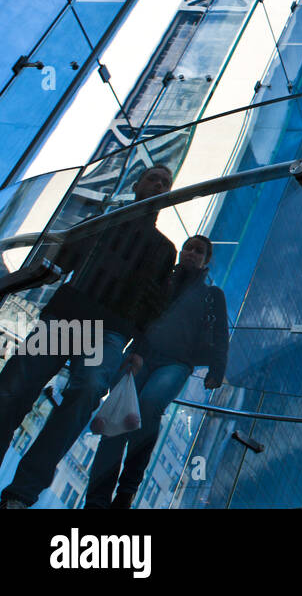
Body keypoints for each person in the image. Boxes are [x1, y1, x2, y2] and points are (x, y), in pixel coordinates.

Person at [0, 164, 177, 508]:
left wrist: (138, 349)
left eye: (165, 182)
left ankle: (20, 494)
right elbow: (57, 262)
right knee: (14, 387)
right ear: (138, 184)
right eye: (153, 178)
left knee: (89, 388)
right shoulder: (100, 222)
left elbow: (153, 304)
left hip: (106, 331)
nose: (158, 183)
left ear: (167, 195)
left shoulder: (163, 248)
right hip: (65, 319)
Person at [84, 234, 227, 509]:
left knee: (149, 405)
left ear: (206, 261)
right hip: (142, 355)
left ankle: (127, 490)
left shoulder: (212, 295)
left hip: (177, 362)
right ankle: (97, 500)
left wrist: (217, 369)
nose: (191, 254)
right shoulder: (164, 281)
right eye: (188, 248)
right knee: (115, 421)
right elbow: (142, 314)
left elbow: (220, 334)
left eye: (199, 252)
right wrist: (135, 350)